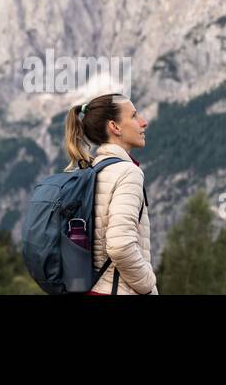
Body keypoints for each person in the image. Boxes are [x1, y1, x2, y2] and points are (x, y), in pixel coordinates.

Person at [62, 93, 157, 295]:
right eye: (133, 116)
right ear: (115, 127)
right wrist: (148, 284)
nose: (143, 122)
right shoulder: (127, 172)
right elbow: (120, 246)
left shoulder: (92, 171)